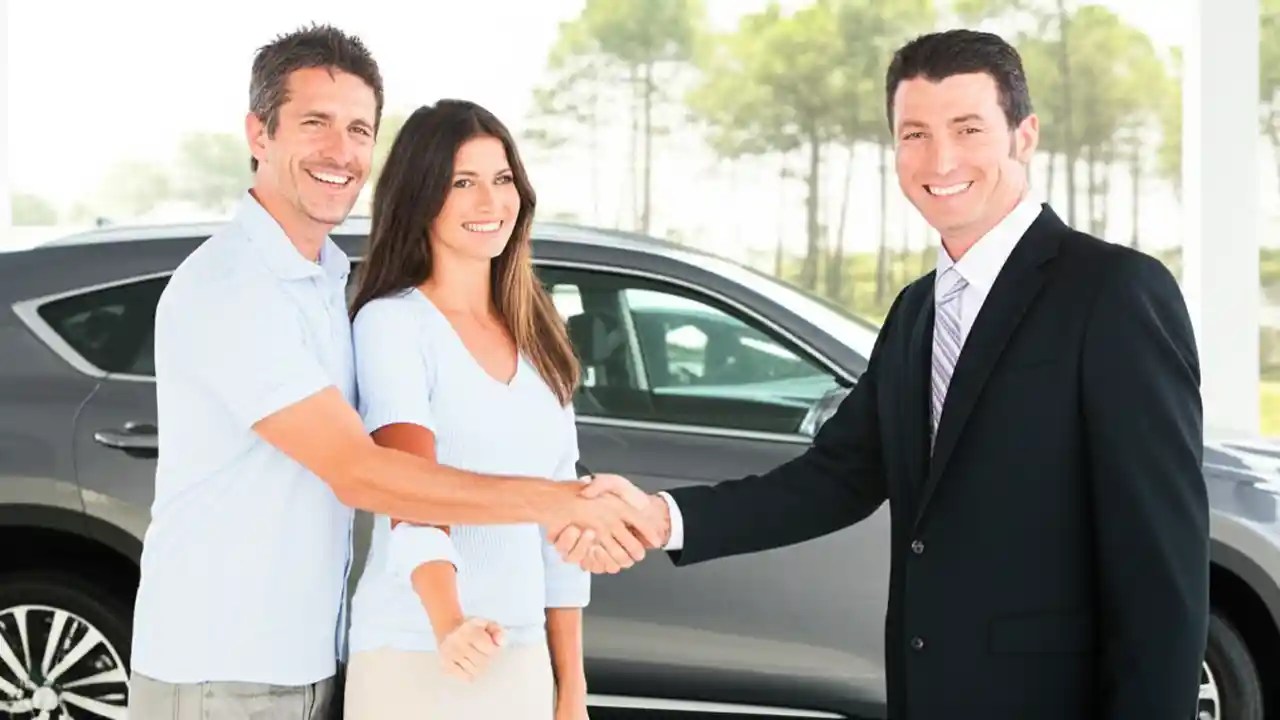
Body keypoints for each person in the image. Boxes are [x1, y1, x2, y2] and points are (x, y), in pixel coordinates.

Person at [567, 28, 1208, 720]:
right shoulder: (916, 311)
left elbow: (1161, 570)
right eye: (915, 135)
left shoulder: (1113, 292)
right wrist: (660, 518)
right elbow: (837, 477)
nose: (941, 159)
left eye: (968, 129)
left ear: (1024, 136)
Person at [127, 26, 656, 719]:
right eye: (314, 123)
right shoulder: (238, 287)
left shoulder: (323, 281)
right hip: (219, 672)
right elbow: (366, 473)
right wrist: (557, 504)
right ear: (259, 133)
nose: (341, 151)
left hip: (306, 662)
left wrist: (569, 680)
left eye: (359, 130)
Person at [340, 99, 596, 720]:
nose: (490, 201)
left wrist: (571, 686)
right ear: (420, 196)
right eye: (463, 182)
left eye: (502, 179)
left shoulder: (540, 333)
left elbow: (560, 524)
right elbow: (411, 492)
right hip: (415, 651)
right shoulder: (393, 323)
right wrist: (448, 621)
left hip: (521, 655)